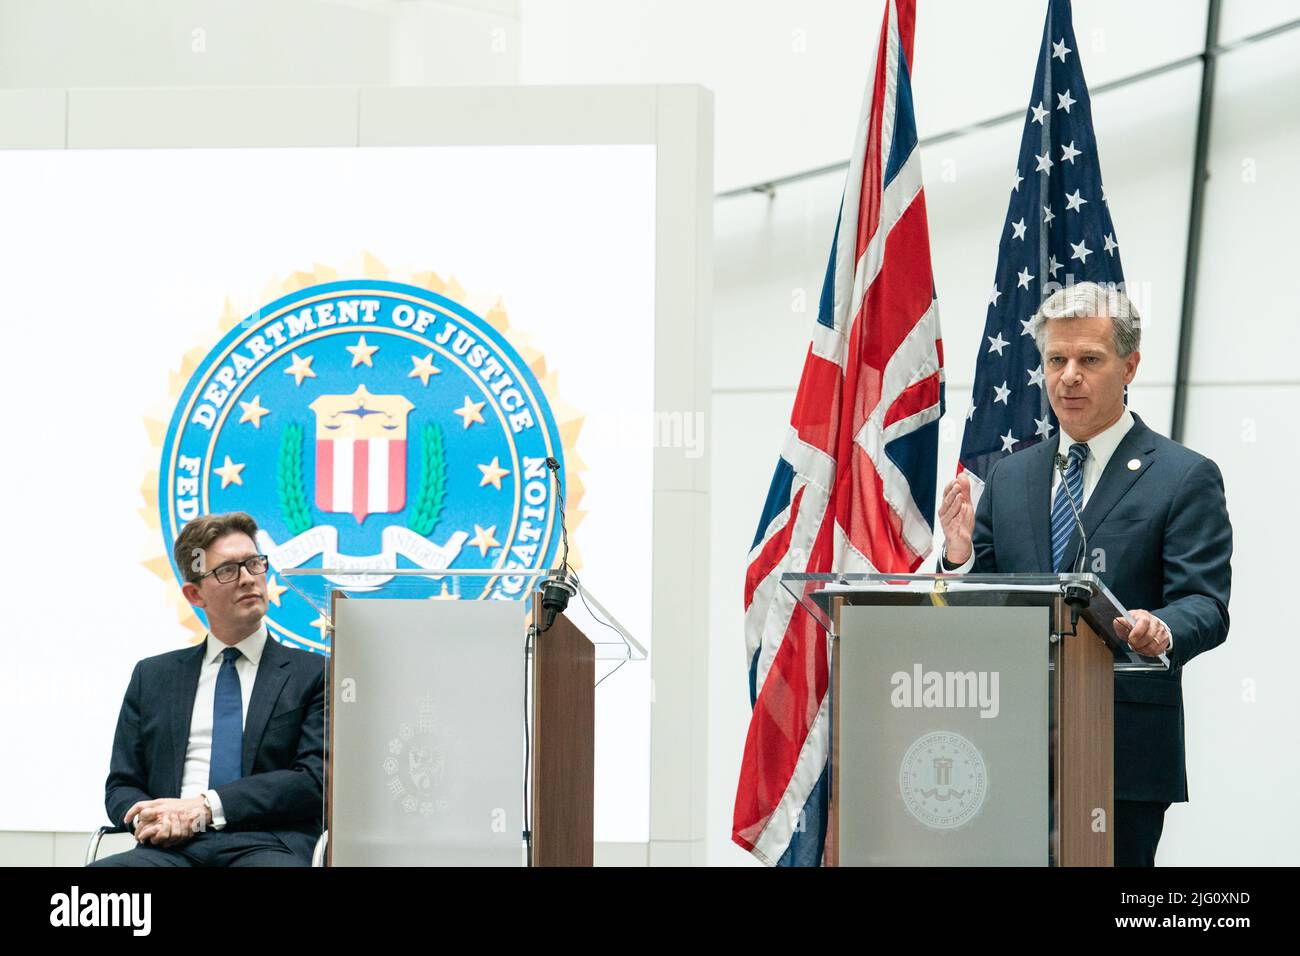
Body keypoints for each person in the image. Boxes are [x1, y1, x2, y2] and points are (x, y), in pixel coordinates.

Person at [938, 281, 1231, 867]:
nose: (1068, 375)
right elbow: (986, 601)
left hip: (1119, 749)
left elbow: (1205, 602)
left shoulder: (1183, 476)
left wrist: (1160, 629)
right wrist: (961, 556)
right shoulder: (1011, 476)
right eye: (1056, 360)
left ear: (1130, 366)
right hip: (1009, 744)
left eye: (1089, 360)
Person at [90, 512, 325, 866]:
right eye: (227, 570)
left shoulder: (314, 673)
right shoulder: (152, 676)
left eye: (253, 564)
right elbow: (122, 784)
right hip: (170, 849)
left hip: (267, 845)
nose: (248, 579)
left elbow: (313, 781)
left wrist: (204, 807)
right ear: (194, 594)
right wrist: (149, 818)